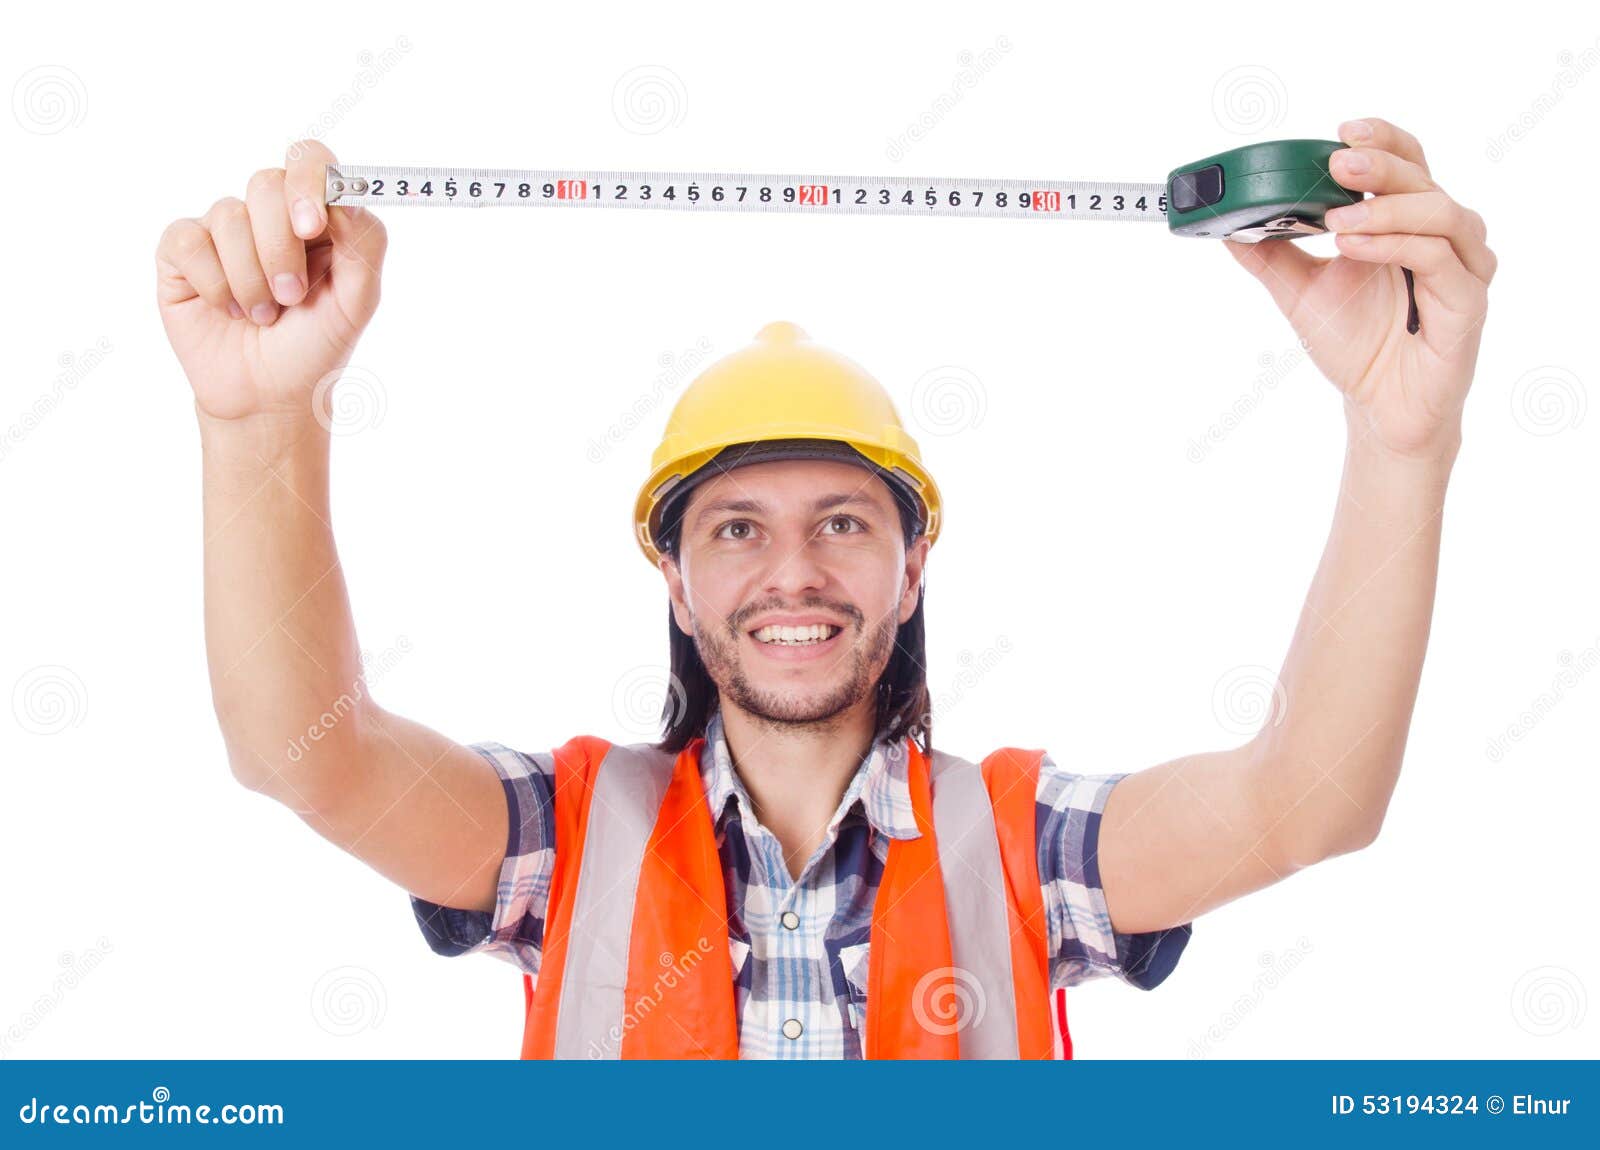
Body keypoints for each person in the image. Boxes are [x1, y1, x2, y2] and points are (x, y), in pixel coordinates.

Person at [154, 118, 1495, 1059]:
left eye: (843, 521)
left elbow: (1309, 801)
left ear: (914, 567)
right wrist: (258, 426)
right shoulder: (559, 842)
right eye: (734, 529)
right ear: (673, 583)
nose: (791, 570)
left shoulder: (1026, 850)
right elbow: (304, 754)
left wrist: (1401, 438)